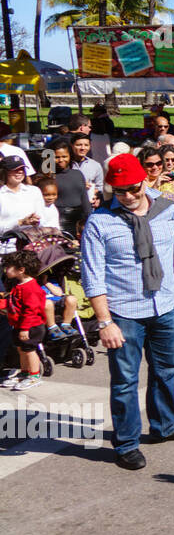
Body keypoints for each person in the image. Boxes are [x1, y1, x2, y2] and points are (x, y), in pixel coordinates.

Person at [80, 153, 174, 470]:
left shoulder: (169, 212)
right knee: (124, 381)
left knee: (166, 371)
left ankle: (164, 426)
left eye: (133, 188)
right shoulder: (100, 221)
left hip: (163, 308)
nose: (129, 196)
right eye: (120, 191)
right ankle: (127, 444)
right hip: (123, 313)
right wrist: (105, 322)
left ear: (145, 181)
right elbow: (92, 277)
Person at [1, 249, 49, 392]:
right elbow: (12, 303)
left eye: (8, 267)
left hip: (31, 326)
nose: (5, 270)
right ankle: (24, 372)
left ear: (21, 270)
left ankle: (34, 376)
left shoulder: (31, 288)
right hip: (20, 325)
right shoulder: (19, 285)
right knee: (22, 350)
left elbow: (31, 311)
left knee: (29, 351)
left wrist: (25, 329)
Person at [0, 155, 45, 252]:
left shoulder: (34, 191)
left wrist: (35, 221)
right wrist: (20, 222)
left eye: (22, 169)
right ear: (5, 172)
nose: (20, 172)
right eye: (15, 169)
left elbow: (43, 219)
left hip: (32, 246)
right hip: (6, 248)